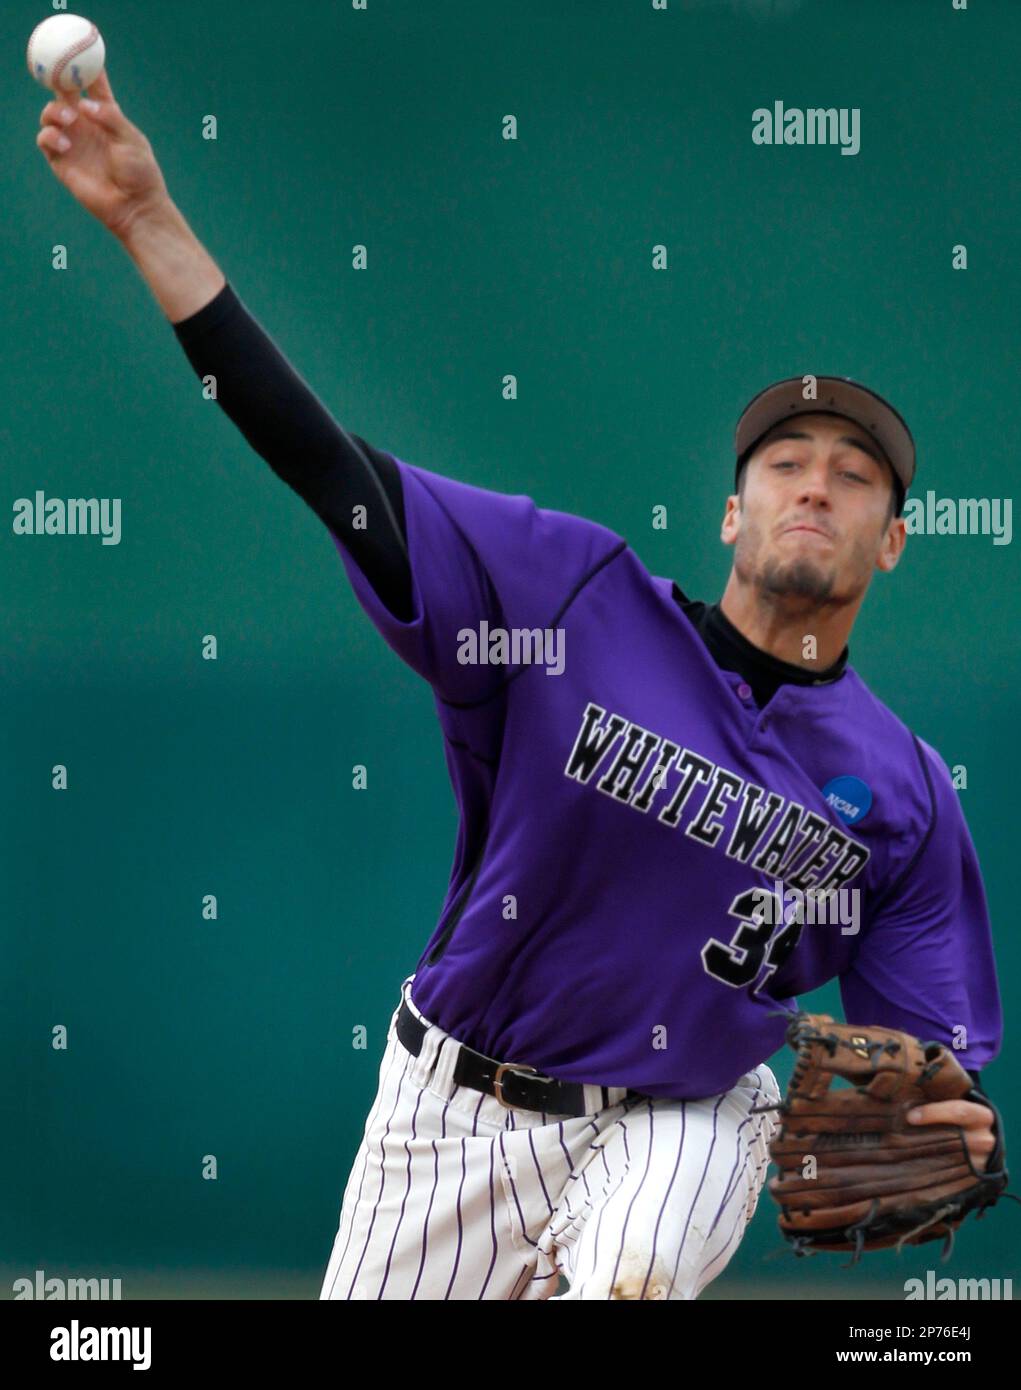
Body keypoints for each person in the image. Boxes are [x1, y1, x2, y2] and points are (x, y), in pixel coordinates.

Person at [35, 72, 1003, 1301]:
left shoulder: (908, 797)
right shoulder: (571, 600)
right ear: (731, 508)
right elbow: (335, 473)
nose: (815, 484)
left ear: (893, 540)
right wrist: (146, 224)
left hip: (686, 1113)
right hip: (452, 1116)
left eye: (857, 474)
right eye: (784, 460)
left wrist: (955, 1117)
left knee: (635, 1270)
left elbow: (929, 1061)